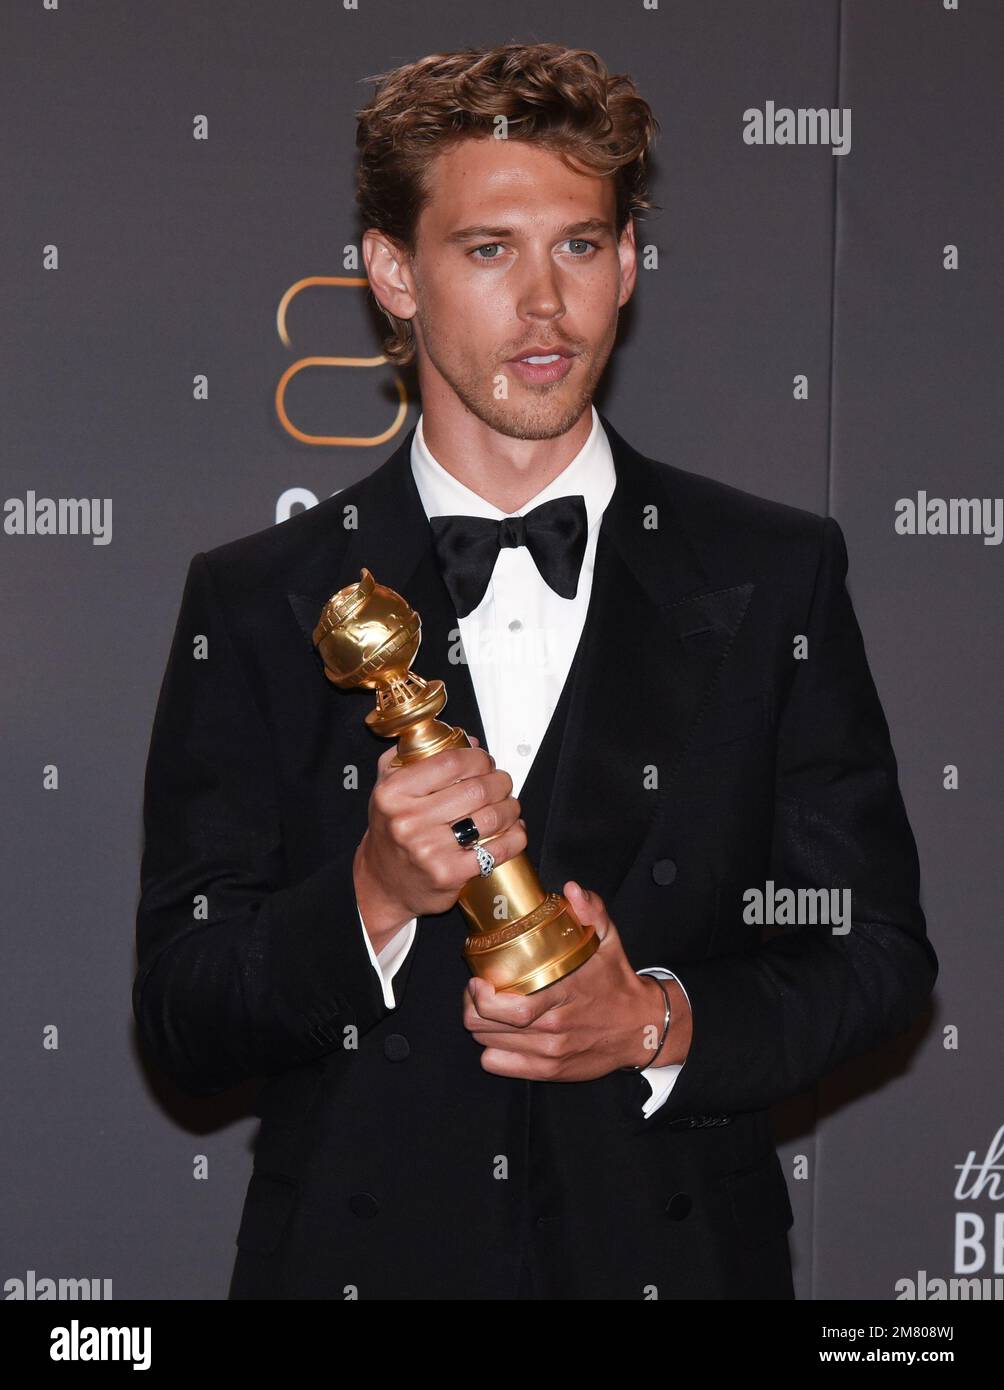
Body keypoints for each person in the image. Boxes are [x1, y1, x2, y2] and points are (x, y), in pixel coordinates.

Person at [132, 41, 938, 1300]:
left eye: (577, 244)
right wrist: (372, 892)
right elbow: (183, 1013)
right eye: (487, 248)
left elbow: (874, 954)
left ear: (625, 261)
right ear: (393, 273)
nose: (545, 304)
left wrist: (657, 1020)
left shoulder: (775, 571)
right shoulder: (256, 600)